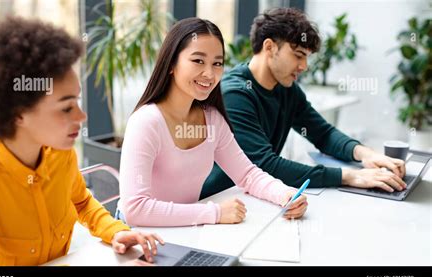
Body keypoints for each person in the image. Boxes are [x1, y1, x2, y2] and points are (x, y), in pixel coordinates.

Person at [0, 16, 162, 266]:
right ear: (18, 112)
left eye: (77, 102)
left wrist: (116, 231)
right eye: (66, 108)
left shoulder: (60, 155)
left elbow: (82, 201)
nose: (82, 116)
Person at [118, 17, 307, 227]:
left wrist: (284, 194)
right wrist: (215, 213)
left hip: (184, 233)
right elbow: (135, 208)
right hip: (138, 237)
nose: (209, 73)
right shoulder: (146, 122)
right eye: (198, 60)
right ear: (171, 63)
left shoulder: (212, 119)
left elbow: (247, 174)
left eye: (217, 63)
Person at [200, 8, 407, 199]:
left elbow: (323, 134)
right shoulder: (235, 94)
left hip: (252, 198)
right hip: (218, 201)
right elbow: (265, 165)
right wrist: (350, 176)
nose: (304, 66)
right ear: (270, 47)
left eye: (306, 57)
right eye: (298, 55)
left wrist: (366, 154)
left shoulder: (286, 89)